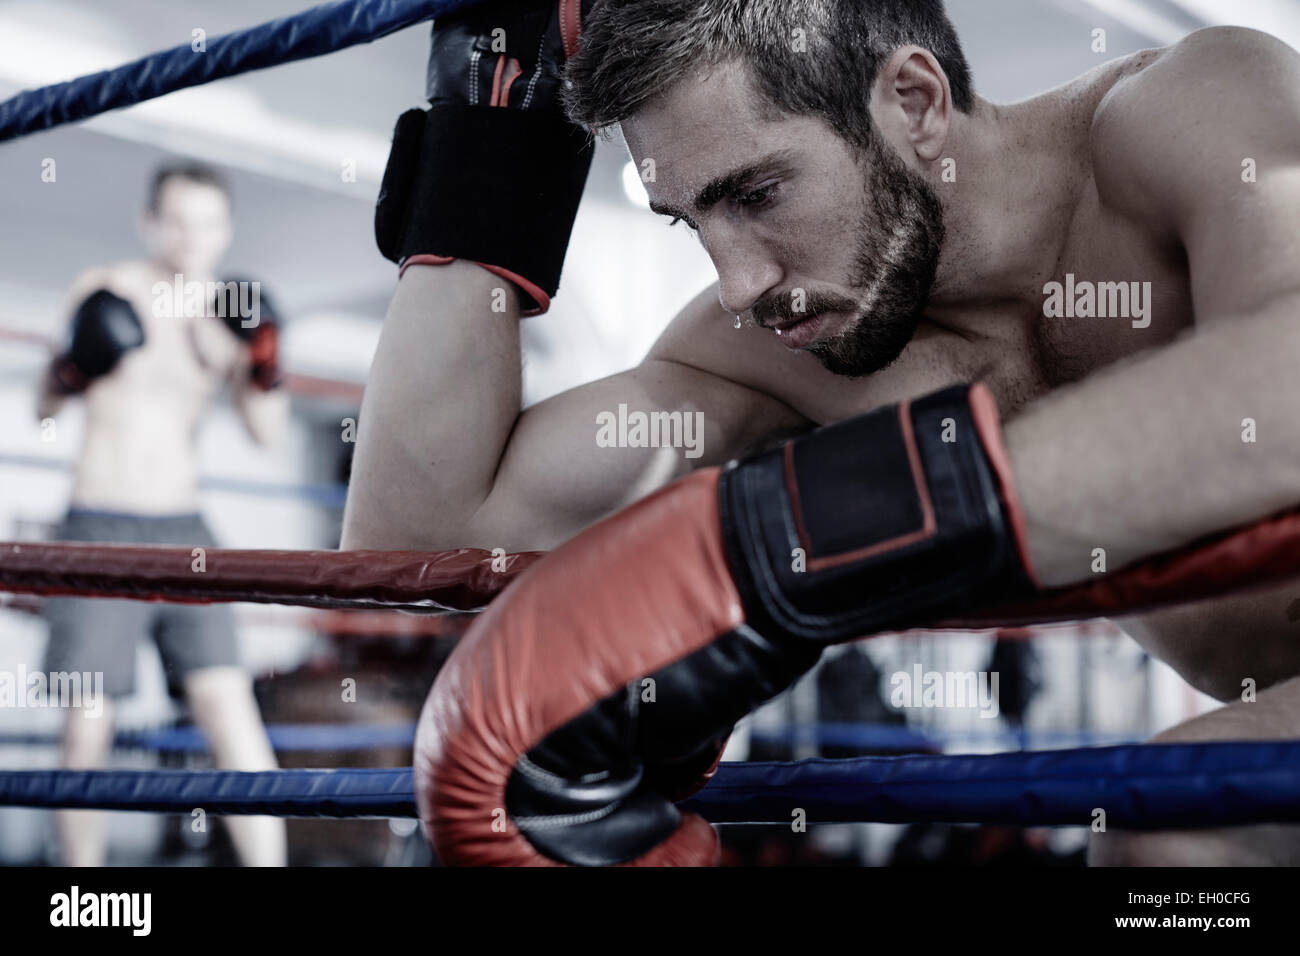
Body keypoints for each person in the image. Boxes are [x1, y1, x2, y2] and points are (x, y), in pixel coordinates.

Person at [344, 1, 1300, 865]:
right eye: (691, 222)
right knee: (1175, 845)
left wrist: (793, 538)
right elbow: (421, 541)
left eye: (758, 193)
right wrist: (485, 152)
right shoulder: (787, 350)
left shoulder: (1198, 105)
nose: (737, 283)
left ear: (916, 103)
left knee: (1177, 832)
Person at [37, 162, 290, 867]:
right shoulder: (105, 287)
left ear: (226, 230)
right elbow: (42, 406)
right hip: (97, 528)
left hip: (186, 533)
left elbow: (267, 433)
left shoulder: (231, 308)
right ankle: (81, 898)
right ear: (151, 222)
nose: (191, 238)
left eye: (207, 223)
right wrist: (74, 366)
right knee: (88, 726)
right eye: (177, 220)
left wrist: (264, 359)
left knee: (231, 714)